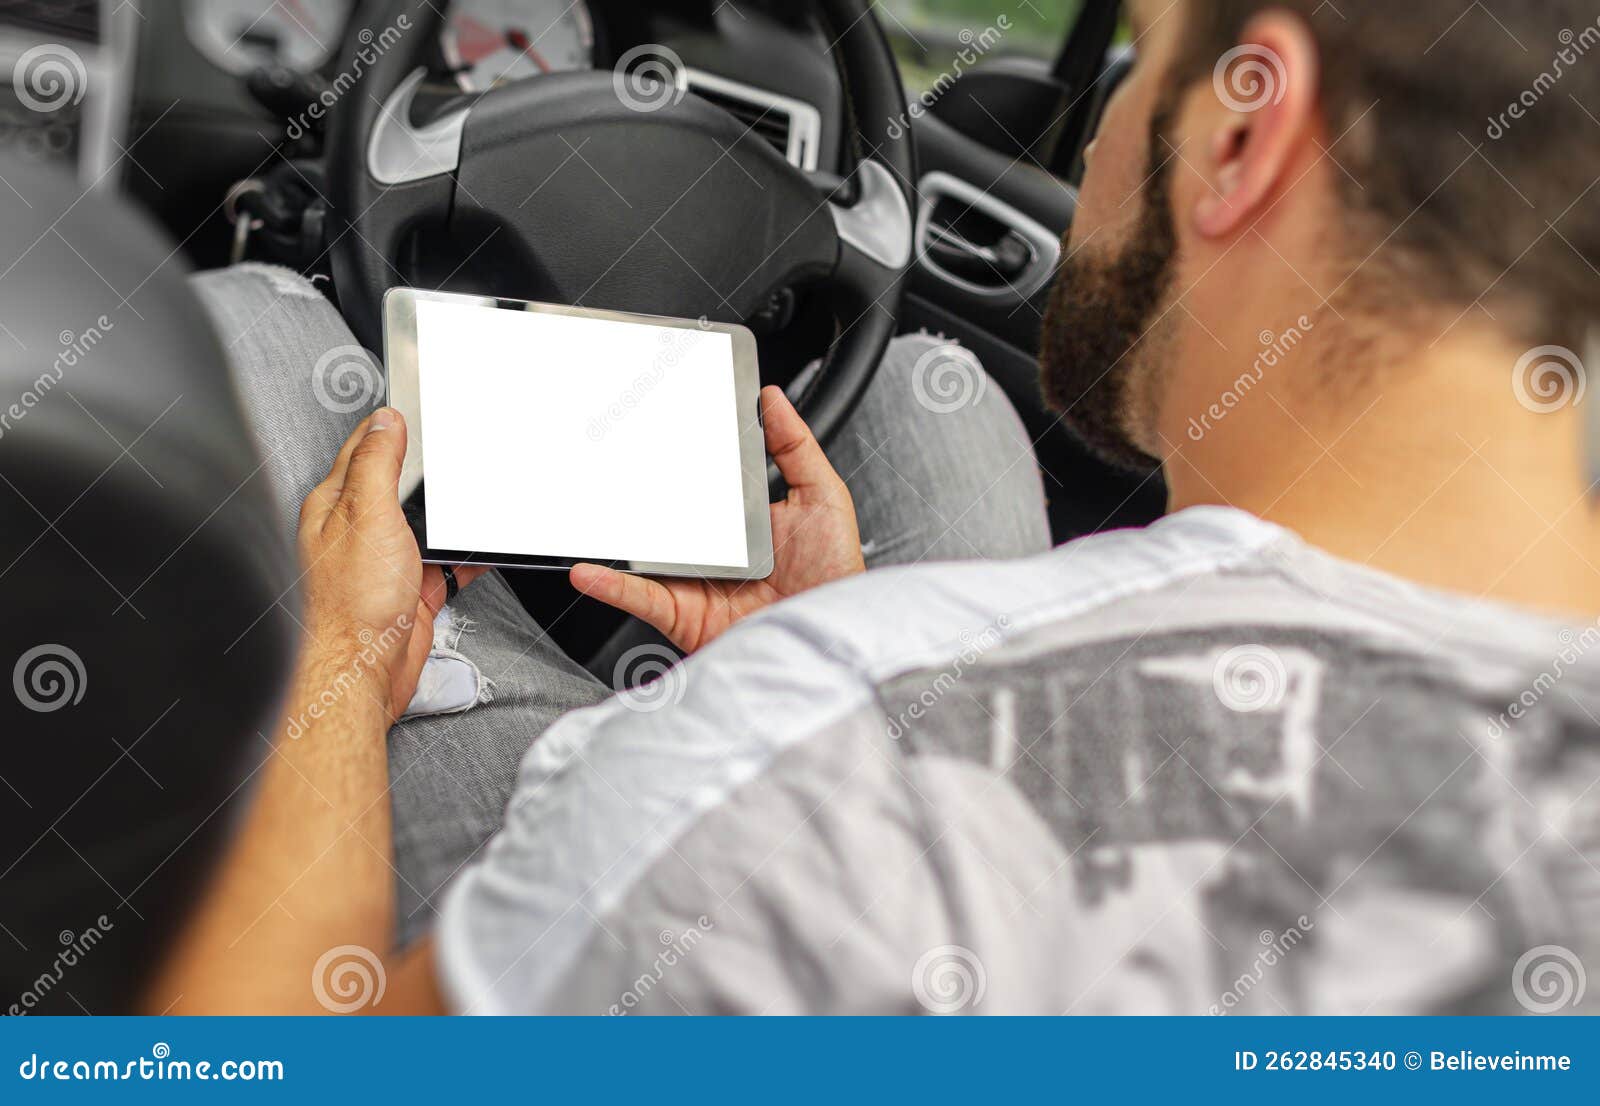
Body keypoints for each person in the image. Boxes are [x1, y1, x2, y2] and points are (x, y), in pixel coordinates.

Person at [148, 0, 1600, 1014]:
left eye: (1137, 70)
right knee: (921, 390)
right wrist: (848, 656)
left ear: (1242, 137)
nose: (1094, 140)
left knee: (263, 322)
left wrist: (339, 663)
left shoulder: (808, 745)